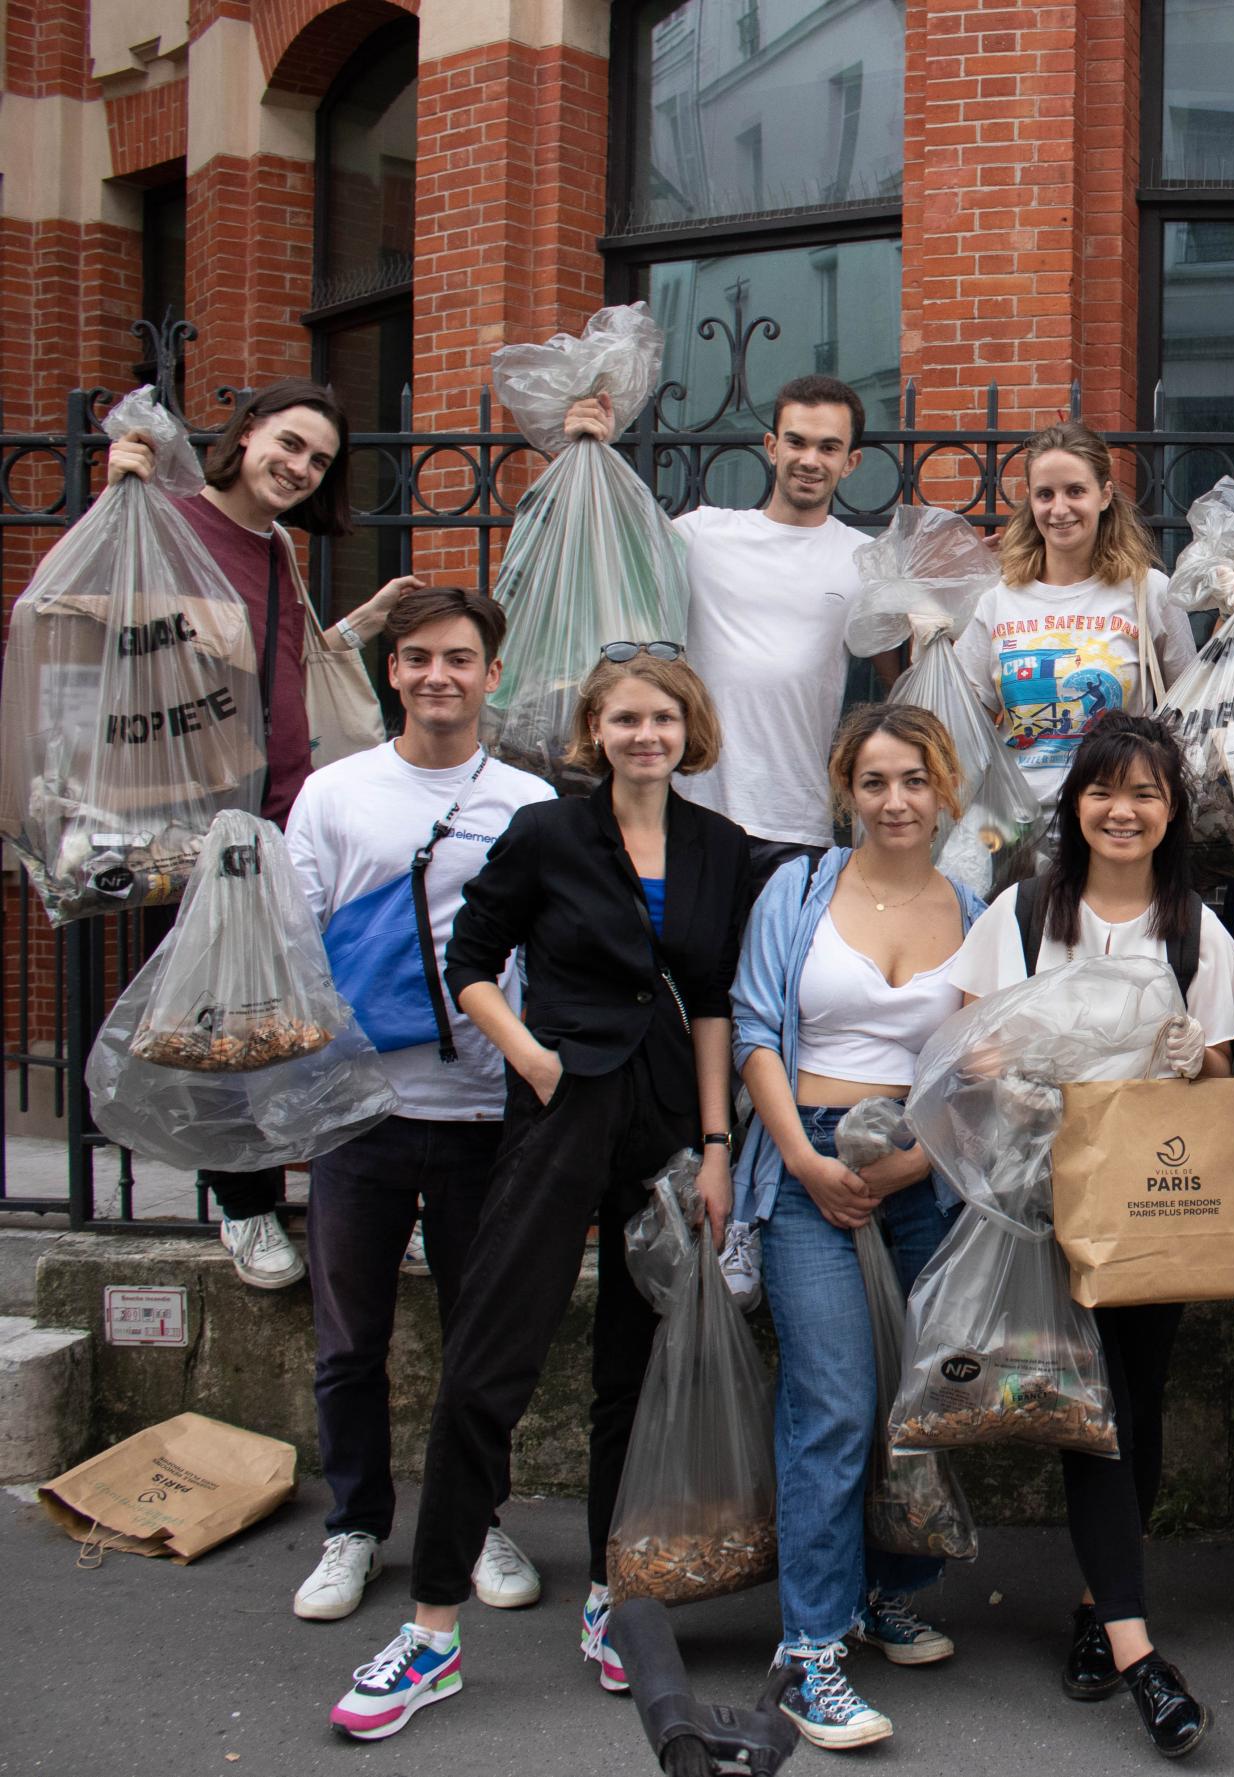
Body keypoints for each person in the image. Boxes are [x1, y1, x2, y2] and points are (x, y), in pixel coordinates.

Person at [328, 647, 754, 1742]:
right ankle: (431, 1631)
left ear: (688, 728)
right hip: (561, 1111)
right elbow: (471, 960)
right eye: (623, 718)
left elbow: (711, 1000)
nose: (643, 735)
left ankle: (615, 1596)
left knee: (632, 1367)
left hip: (665, 1121)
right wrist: (532, 1057)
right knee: (487, 1362)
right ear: (594, 731)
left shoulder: (716, 845)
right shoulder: (548, 833)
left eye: (662, 717)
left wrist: (715, 1143)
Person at [944, 714, 1234, 1758]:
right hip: (1037, 1197)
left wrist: (1184, 1054)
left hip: (1144, 1206)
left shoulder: (1195, 931)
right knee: (1091, 1408)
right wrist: (1005, 1066)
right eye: (1103, 791)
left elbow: (1220, 1074)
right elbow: (961, 1046)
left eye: (1146, 794)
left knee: (1132, 1401)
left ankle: (1091, 1602)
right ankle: (1132, 1647)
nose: (1123, 811)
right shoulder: (1026, 912)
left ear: (1173, 812)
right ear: (1073, 802)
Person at [284, 586, 555, 1626]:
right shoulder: (335, 793)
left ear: (494, 674)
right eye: (416, 658)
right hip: (358, 1112)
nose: (436, 675)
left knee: (476, 1335)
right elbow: (294, 946)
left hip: (489, 1113)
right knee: (348, 1337)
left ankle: (474, 1516)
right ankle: (353, 1523)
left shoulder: (530, 801)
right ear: (389, 672)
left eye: (458, 657)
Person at [105, 377, 410, 1290]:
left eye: (317, 459)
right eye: (289, 444)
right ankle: (242, 1205)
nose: (300, 467)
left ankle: (286, 1188)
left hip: (283, 803)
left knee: (284, 1014)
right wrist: (116, 489)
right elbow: (79, 615)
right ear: (244, 436)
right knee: (219, 1014)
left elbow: (287, 665)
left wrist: (366, 621)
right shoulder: (166, 523)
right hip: (198, 815)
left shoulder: (274, 545)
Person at [729, 704, 988, 1750]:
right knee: (832, 1401)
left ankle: (889, 1590)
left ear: (943, 791)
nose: (894, 800)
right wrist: (802, 1158)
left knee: (914, 1396)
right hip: (810, 1158)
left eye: (913, 780)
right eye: (874, 781)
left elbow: (979, 1062)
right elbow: (754, 1025)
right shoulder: (794, 891)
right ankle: (809, 1649)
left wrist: (918, 1160)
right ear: (846, 789)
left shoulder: (972, 906)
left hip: (923, 1169)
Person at [564, 375, 875, 885]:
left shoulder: (864, 560)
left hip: (795, 822)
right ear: (772, 447)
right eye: (796, 441)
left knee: (777, 968)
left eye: (829, 447)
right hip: (688, 807)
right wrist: (591, 451)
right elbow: (606, 549)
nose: (810, 460)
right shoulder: (702, 533)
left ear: (851, 461)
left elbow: (901, 677)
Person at [955, 423, 1200, 806]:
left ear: (1104, 495)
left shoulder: (1148, 590)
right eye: (1045, 494)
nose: (1059, 509)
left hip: (1118, 819)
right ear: (1031, 501)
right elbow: (964, 721)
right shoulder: (996, 598)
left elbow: (1191, 711)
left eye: (1075, 491)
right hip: (1018, 827)